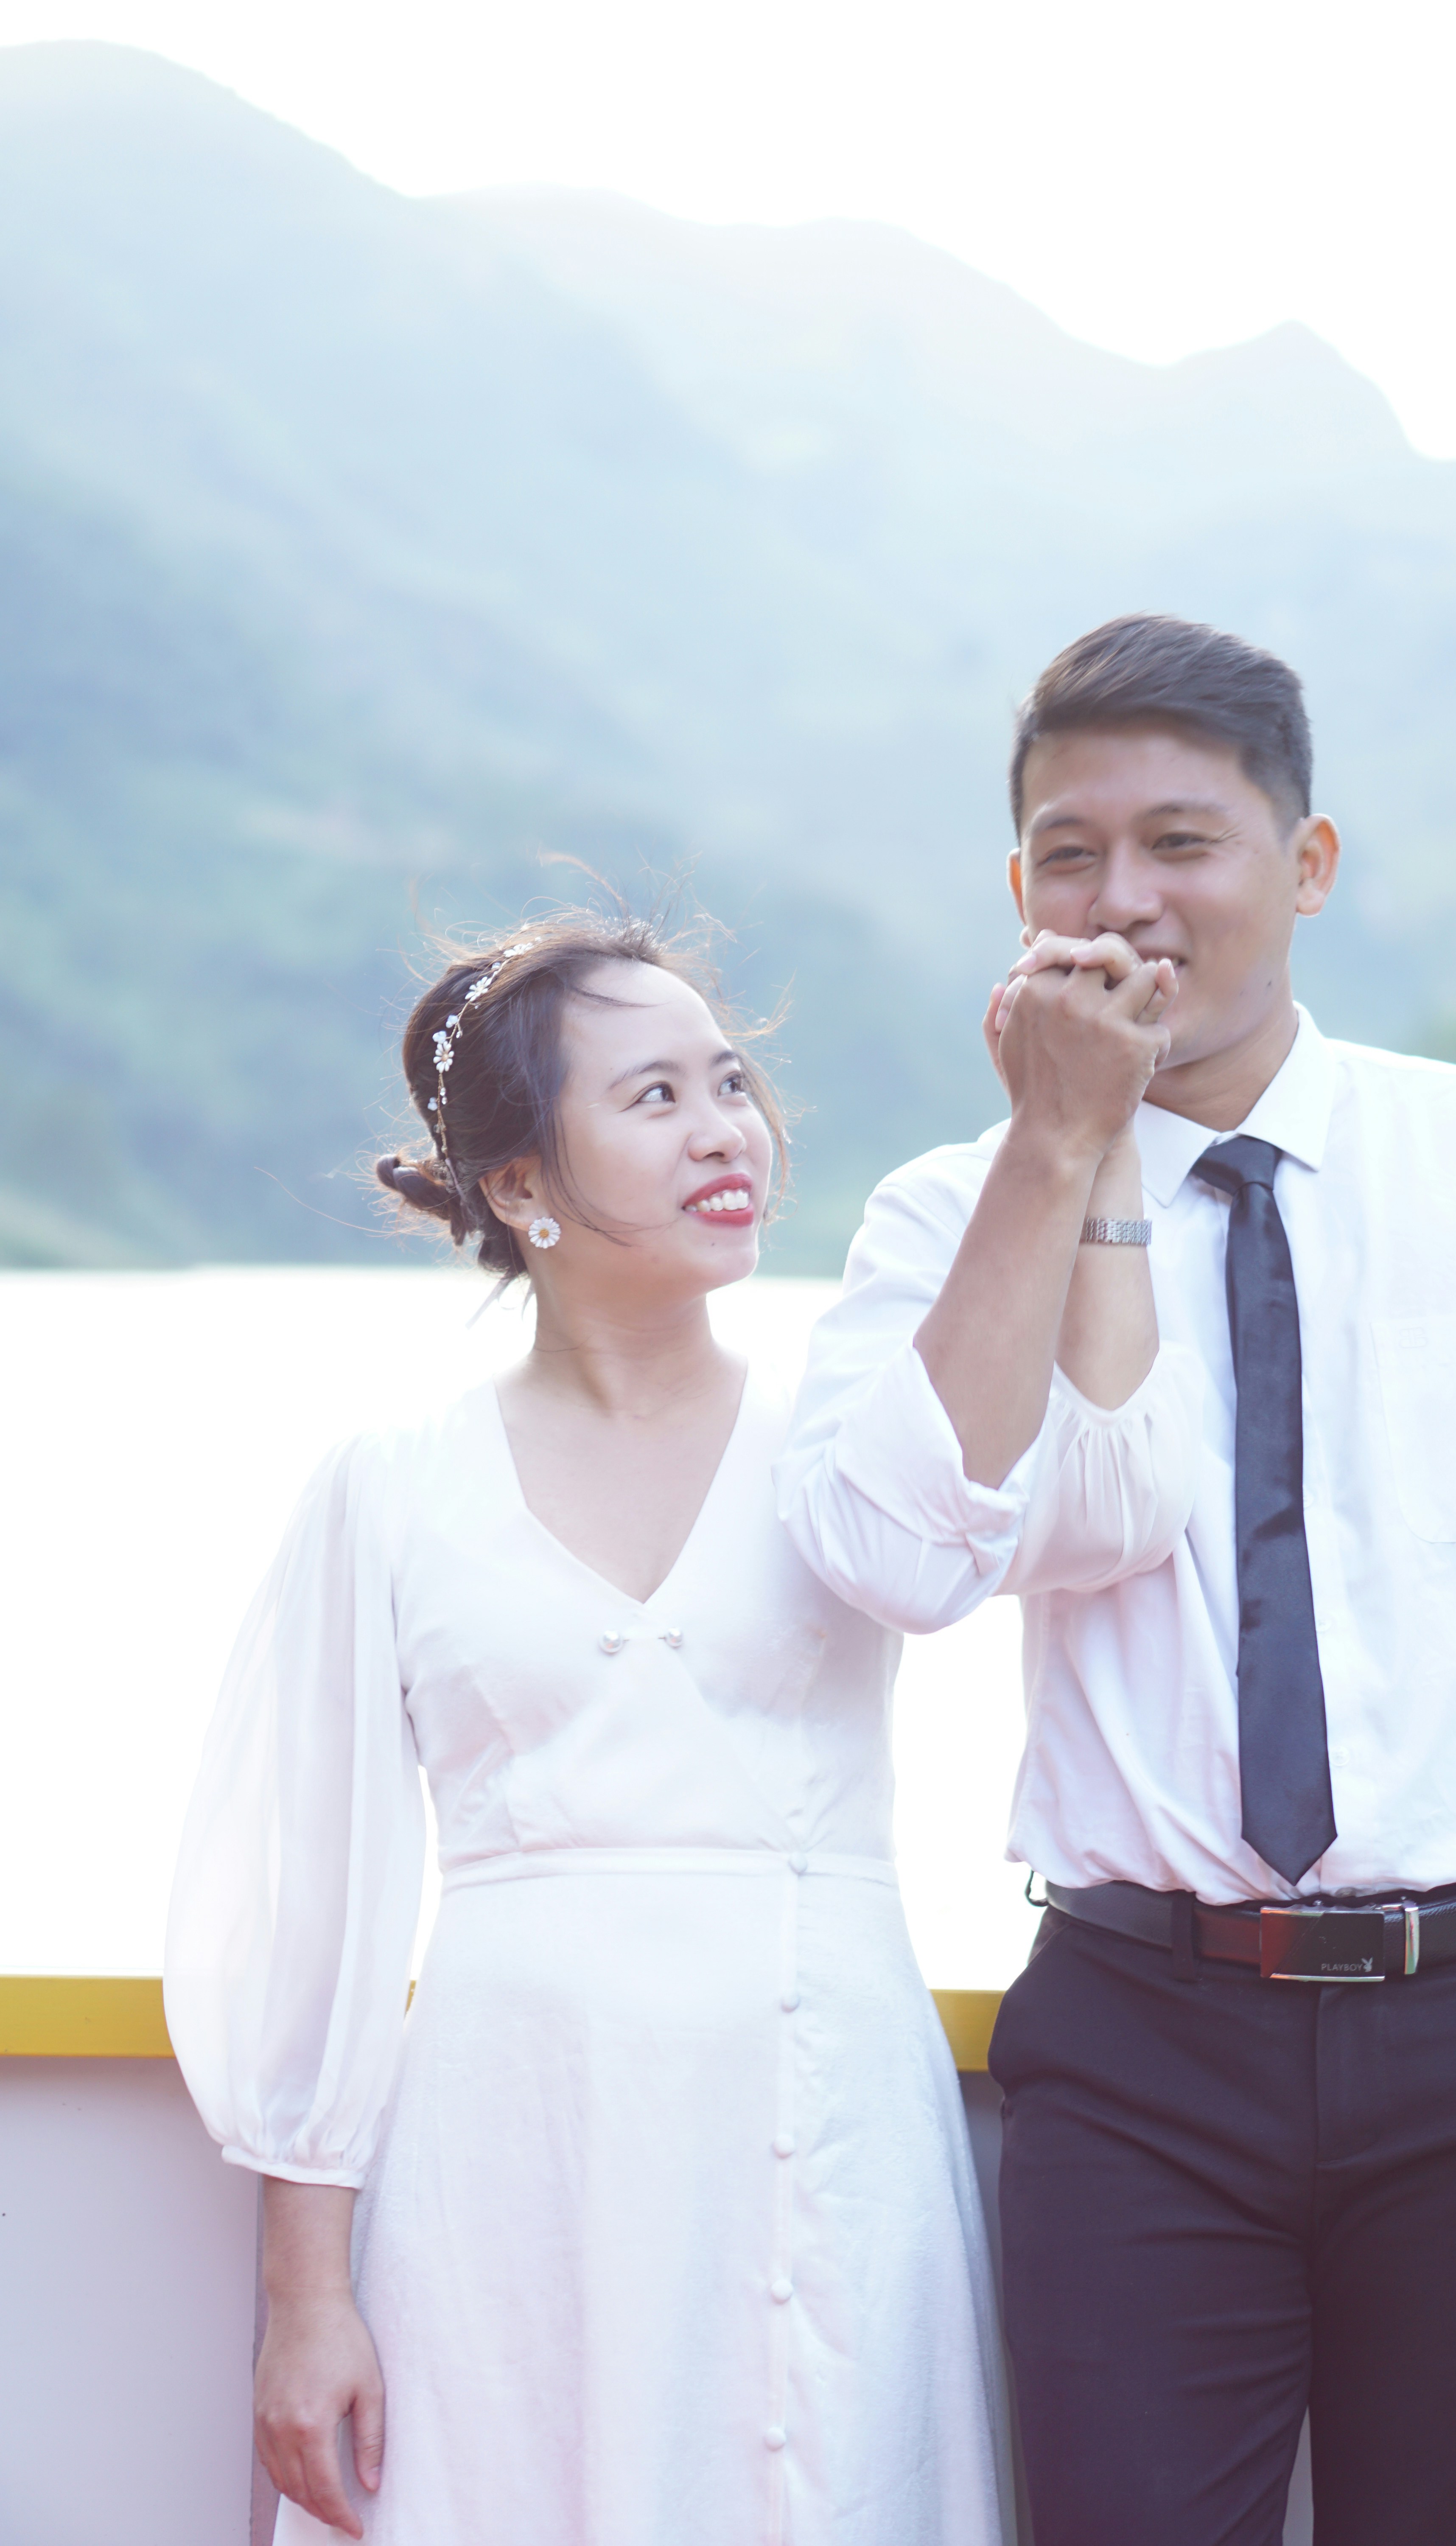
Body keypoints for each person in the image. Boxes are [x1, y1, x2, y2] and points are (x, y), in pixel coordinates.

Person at [777, 614, 1456, 2546]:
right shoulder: (950, 1209)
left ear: (1307, 864)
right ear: (1015, 885)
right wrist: (1058, 1145)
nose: (1124, 902)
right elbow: (884, 1561)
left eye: (1181, 843)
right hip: (1137, 2035)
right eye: (1067, 852)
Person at [163, 908, 1079, 2546]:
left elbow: (1066, 1505)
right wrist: (305, 2302)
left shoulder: (850, 1449)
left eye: (730, 1082)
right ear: (521, 1185)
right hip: (513, 2146)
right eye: (654, 1097)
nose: (726, 1128)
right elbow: (316, 1917)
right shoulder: (393, 1487)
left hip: (823, 2118)